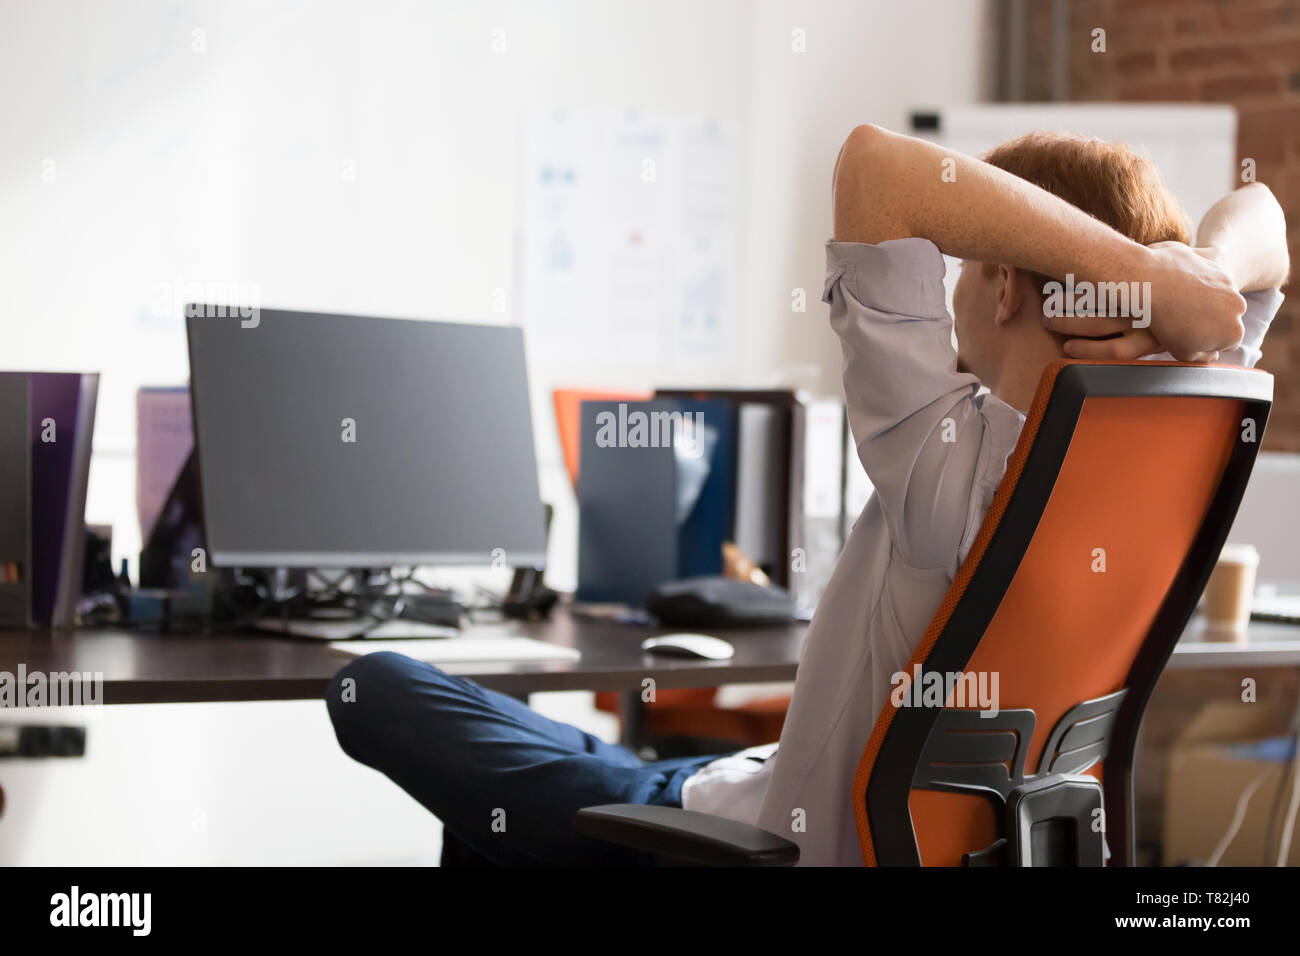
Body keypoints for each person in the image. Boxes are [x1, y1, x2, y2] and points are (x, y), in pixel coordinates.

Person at [326, 125, 1289, 866]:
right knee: (526, 778)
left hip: (764, 842)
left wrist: (1144, 278)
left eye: (963, 269)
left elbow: (875, 167)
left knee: (375, 684)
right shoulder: (1175, 429)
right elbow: (1267, 221)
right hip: (745, 789)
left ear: (1000, 289)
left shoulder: (956, 457)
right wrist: (1183, 281)